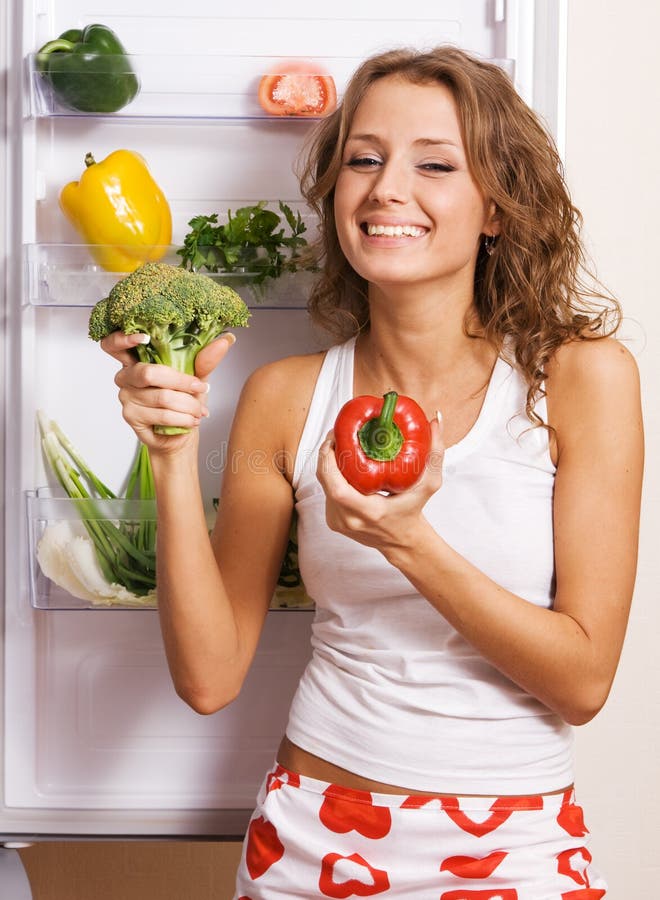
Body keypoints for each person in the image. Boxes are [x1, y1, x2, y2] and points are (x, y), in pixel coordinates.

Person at [102, 45, 643, 899]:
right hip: (313, 836)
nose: (388, 187)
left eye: (434, 163)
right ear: (336, 197)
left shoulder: (578, 379)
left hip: (519, 842)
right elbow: (209, 678)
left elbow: (582, 681)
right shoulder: (286, 398)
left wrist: (410, 543)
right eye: (364, 158)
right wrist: (169, 455)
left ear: (496, 207)